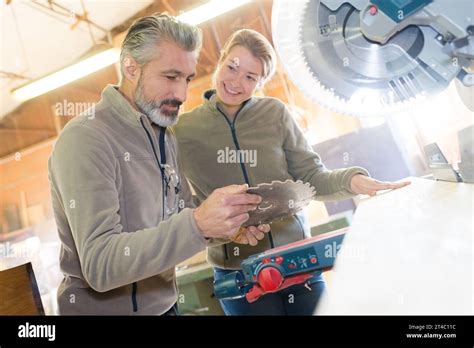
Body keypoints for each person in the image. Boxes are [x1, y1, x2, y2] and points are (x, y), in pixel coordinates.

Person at [173, 29, 411, 315]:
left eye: (250, 77)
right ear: (221, 61)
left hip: (298, 262)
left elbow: (311, 177)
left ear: (261, 83)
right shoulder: (183, 130)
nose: (236, 82)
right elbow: (181, 204)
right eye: (232, 67)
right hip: (239, 274)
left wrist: (356, 181)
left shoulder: (275, 113)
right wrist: (226, 230)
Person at [48, 15, 269, 315]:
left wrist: (220, 228)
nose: (182, 94)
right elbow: (99, 265)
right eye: (170, 76)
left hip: (166, 308)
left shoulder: (165, 137)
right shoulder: (85, 140)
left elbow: (181, 215)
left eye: (188, 78)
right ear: (131, 67)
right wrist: (197, 224)